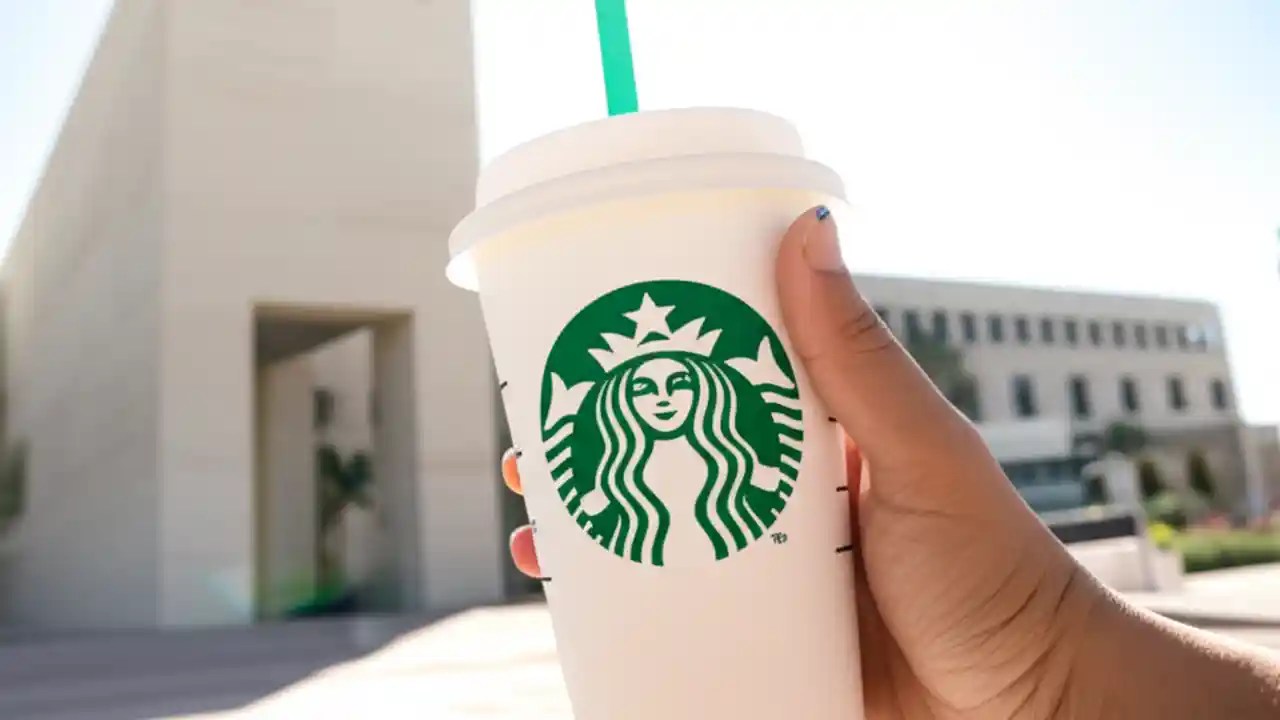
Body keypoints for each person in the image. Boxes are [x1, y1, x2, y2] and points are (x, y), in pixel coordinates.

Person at [499, 207, 1280, 718]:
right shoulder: (621, 486)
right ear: (614, 403)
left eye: (680, 379)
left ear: (710, 390)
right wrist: (1051, 661)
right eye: (643, 385)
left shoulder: (736, 474)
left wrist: (1049, 658)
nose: (663, 397)